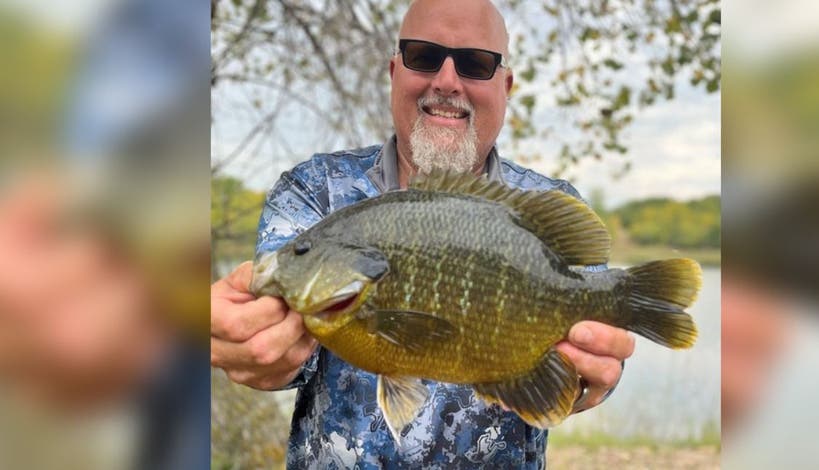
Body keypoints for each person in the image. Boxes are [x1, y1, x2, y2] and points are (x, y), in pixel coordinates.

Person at [210, 0, 634, 467]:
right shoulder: (314, 193)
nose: (447, 81)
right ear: (394, 71)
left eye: (475, 63)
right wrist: (254, 346)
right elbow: (282, 347)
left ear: (505, 86)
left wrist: (596, 374)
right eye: (424, 56)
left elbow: (587, 359)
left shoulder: (551, 206)